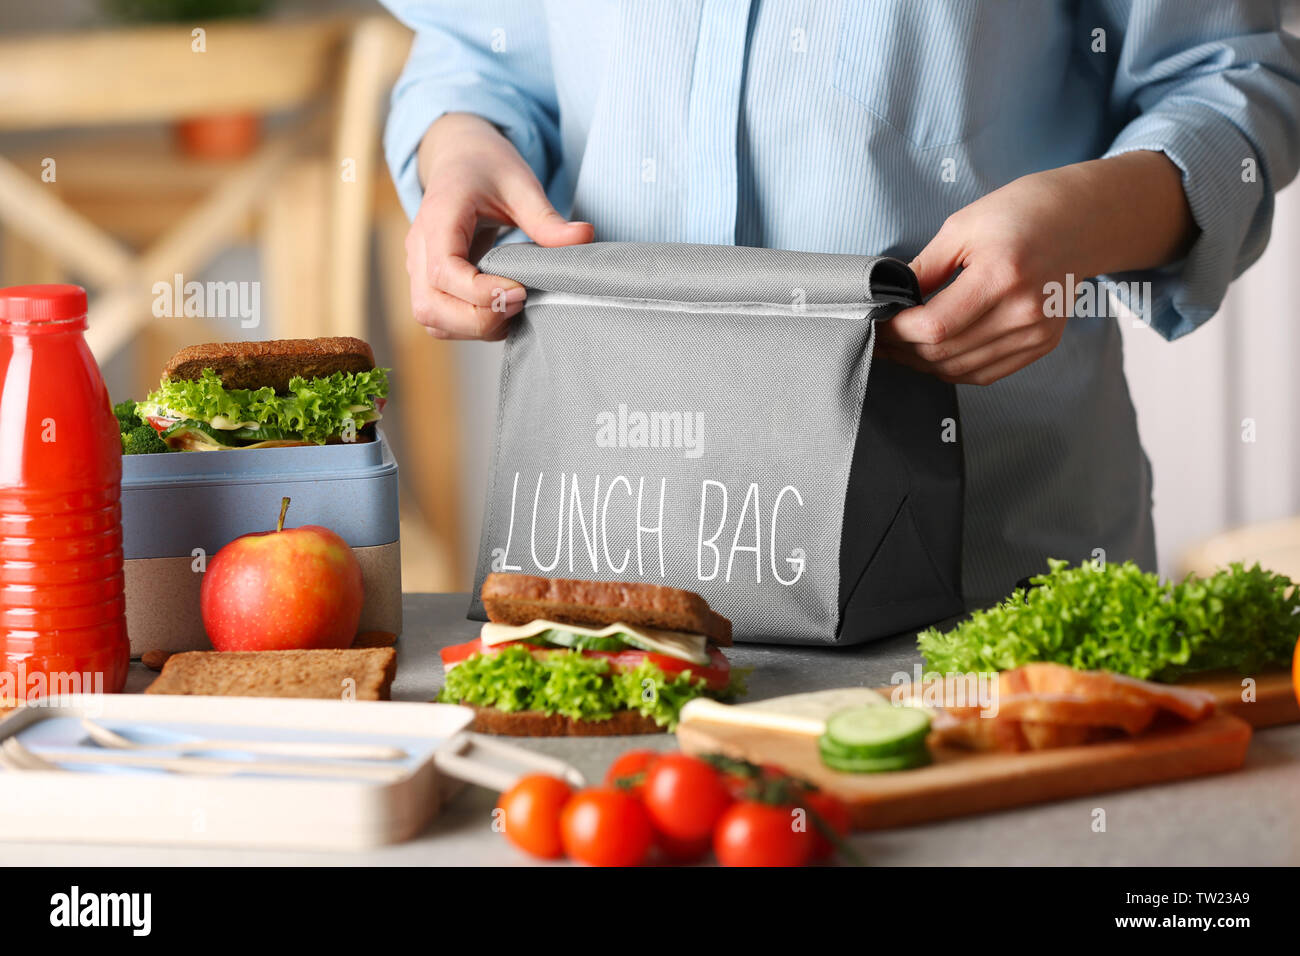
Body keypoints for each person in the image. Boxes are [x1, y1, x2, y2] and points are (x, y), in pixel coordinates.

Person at [379, 0, 1300, 607]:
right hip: (607, 556)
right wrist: (459, 147)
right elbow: (479, 51)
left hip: (984, 576)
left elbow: (1237, 81)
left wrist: (1079, 223)